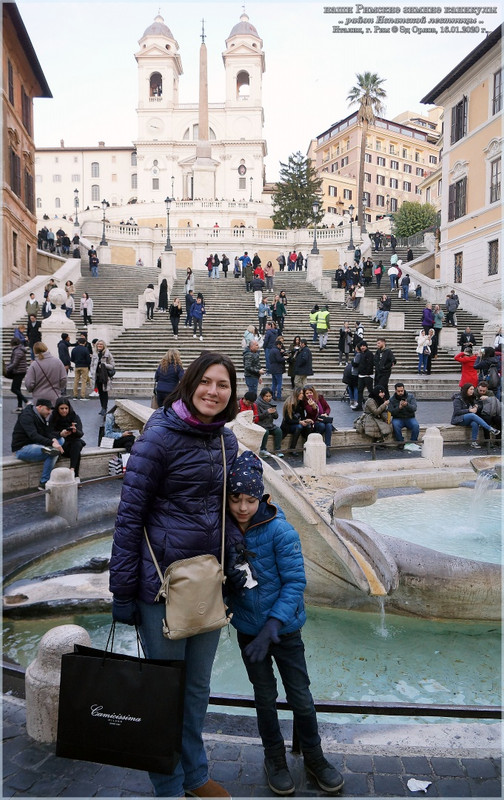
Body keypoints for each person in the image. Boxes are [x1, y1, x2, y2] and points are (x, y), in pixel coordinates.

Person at [109, 351, 240, 799]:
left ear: (231, 394)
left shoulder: (227, 441)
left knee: (197, 689)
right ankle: (167, 785)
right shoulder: (158, 437)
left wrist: (236, 568)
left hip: (206, 583)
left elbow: (225, 515)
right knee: (164, 692)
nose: (213, 392)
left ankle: (195, 775)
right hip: (159, 587)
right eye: (206, 382)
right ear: (189, 383)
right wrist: (122, 591)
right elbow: (129, 518)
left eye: (223, 385)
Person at [224, 452, 344, 796]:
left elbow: (295, 583)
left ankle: (315, 757)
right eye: (235, 500)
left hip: (284, 631)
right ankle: (274, 758)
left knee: (301, 698)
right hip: (248, 632)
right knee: (264, 697)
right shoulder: (224, 532)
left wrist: (274, 624)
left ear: (262, 497)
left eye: (249, 499)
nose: (243, 507)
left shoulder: (280, 530)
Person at [12, 398, 64, 490]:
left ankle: (52, 452)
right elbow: (33, 435)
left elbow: (46, 432)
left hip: (36, 444)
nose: (49, 412)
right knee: (52, 452)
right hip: (22, 448)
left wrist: (53, 439)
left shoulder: (40, 416)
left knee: (61, 440)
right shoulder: (26, 416)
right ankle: (43, 482)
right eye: (48, 409)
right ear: (39, 407)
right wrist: (51, 443)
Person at [451, 383, 499, 448]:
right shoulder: (458, 399)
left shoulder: (471, 397)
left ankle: (473, 442)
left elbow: (476, 404)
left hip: (467, 418)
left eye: (473, 389)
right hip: (458, 419)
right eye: (471, 389)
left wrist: (476, 406)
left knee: (475, 423)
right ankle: (490, 428)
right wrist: (469, 410)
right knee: (472, 415)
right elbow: (457, 412)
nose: (472, 391)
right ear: (466, 390)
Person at [50, 397, 85, 477]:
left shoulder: (74, 416)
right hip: (61, 446)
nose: (64, 410)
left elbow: (81, 433)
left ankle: (72, 470)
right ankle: (75, 475)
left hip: (73, 443)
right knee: (77, 450)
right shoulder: (53, 417)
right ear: (57, 409)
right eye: (61, 408)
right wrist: (60, 434)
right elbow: (49, 432)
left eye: (66, 408)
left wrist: (75, 431)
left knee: (77, 444)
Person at [302, 385, 333, 455]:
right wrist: (313, 406)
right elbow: (311, 413)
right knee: (322, 426)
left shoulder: (319, 398)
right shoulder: (305, 402)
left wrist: (326, 413)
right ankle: (318, 445)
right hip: (314, 421)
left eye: (310, 392)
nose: (309, 395)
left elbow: (327, 408)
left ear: (313, 392)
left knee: (329, 425)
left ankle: (327, 447)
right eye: (307, 393)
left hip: (323, 419)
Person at [388, 383, 420, 448]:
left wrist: (407, 405)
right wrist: (399, 408)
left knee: (415, 425)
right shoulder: (392, 399)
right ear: (395, 391)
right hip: (398, 418)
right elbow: (392, 412)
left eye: (401, 391)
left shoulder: (410, 397)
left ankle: (413, 442)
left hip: (409, 417)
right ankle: (400, 442)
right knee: (395, 425)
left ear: (404, 389)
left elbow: (414, 408)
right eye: (398, 391)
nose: (400, 393)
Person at [281, 388, 314, 453]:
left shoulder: (300, 403)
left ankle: (308, 446)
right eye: (300, 393)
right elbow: (287, 420)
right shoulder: (289, 404)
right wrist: (299, 422)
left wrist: (306, 420)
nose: (302, 395)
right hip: (288, 426)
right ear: (296, 394)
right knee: (299, 427)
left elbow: (302, 416)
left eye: (302, 393)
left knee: (308, 426)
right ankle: (292, 448)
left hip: (297, 423)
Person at [257, 387, 284, 458]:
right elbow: (258, 417)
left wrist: (274, 412)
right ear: (262, 396)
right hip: (261, 424)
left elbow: (276, 417)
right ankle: (262, 450)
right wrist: (267, 412)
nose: (268, 398)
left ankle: (277, 450)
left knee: (278, 431)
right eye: (266, 396)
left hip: (270, 424)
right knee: (266, 432)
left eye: (270, 396)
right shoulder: (257, 403)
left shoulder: (272, 403)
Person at [90, 339, 115, 416]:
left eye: (101, 344)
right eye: (98, 344)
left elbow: (112, 366)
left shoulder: (108, 354)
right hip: (97, 376)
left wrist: (104, 365)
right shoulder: (95, 354)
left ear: (104, 345)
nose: (99, 346)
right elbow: (92, 365)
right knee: (100, 393)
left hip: (104, 376)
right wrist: (92, 372)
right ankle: (102, 407)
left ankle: (105, 408)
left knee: (104, 392)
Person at [7, 336, 28, 413]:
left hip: (19, 372)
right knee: (17, 389)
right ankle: (20, 406)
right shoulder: (19, 350)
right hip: (20, 371)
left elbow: (15, 363)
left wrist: (7, 369)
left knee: (14, 389)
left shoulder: (18, 351)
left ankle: (26, 402)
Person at [353, 340, 374, 410]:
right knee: (360, 390)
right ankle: (359, 405)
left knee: (370, 390)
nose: (362, 347)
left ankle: (374, 404)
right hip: (361, 375)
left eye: (363, 346)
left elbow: (370, 364)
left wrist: (367, 372)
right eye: (361, 346)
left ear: (366, 346)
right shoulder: (361, 354)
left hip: (367, 375)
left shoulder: (369, 354)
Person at [71, 336, 92, 400]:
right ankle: (82, 396)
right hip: (84, 366)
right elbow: (88, 359)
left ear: (78, 342)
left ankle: (75, 395)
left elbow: (72, 359)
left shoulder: (74, 349)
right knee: (84, 381)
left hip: (77, 366)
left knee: (76, 380)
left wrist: (76, 362)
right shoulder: (85, 349)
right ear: (85, 343)